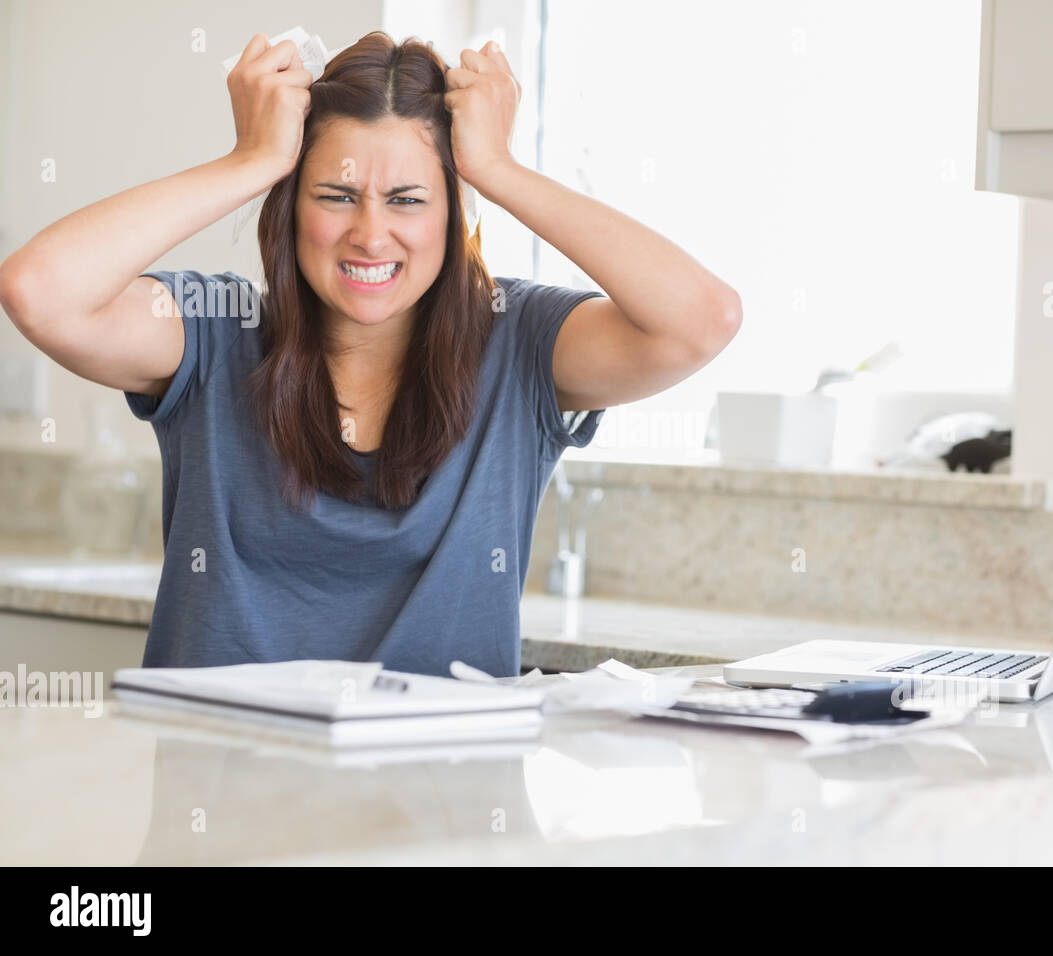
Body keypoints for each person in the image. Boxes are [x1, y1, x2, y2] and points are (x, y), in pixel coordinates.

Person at [0, 30, 741, 677]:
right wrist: (250, 160)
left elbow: (701, 320)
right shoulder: (212, 333)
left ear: (457, 214)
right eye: (335, 194)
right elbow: (39, 290)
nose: (371, 234)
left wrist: (500, 169)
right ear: (290, 205)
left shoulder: (517, 341)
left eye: (410, 199)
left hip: (439, 822)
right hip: (223, 814)